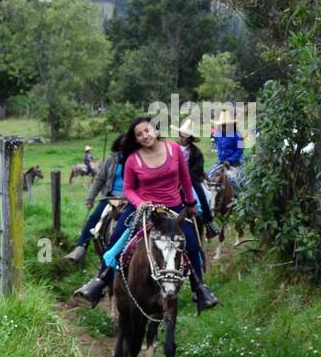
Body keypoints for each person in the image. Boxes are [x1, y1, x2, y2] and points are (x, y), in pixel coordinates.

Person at [72, 116, 219, 312]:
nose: (144, 136)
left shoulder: (174, 149)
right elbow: (129, 188)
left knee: (191, 243)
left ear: (155, 130)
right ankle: (100, 282)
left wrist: (190, 204)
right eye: (139, 134)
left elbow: (184, 177)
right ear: (136, 139)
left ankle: (199, 288)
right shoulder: (133, 160)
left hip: (173, 207)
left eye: (147, 131)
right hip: (143, 208)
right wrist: (140, 203)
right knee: (117, 239)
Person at [66, 135, 127, 265]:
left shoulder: (138, 158)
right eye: (123, 145)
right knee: (94, 218)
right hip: (111, 197)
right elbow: (99, 179)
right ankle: (81, 246)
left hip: (132, 199)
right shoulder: (112, 159)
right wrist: (90, 198)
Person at [176, 118, 220, 239]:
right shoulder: (172, 148)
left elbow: (198, 169)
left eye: (186, 135)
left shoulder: (196, 152)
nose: (183, 137)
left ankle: (209, 222)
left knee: (201, 195)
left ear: (190, 137)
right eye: (181, 134)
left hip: (190, 180)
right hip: (172, 178)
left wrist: (184, 175)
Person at [209, 110, 244, 187]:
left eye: (225, 125)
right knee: (209, 176)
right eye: (222, 125)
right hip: (220, 163)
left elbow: (240, 150)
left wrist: (230, 160)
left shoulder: (238, 135)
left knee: (237, 182)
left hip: (234, 163)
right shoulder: (218, 135)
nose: (223, 127)